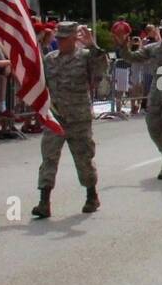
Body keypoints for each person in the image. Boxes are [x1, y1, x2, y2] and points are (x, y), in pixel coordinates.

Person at [33, 22, 108, 218]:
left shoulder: (85, 57)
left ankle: (92, 196)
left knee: (83, 158)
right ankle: (44, 202)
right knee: (49, 158)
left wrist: (93, 47)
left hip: (79, 119)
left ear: (74, 39)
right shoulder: (50, 59)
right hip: (56, 117)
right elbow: (40, 82)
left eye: (64, 39)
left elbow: (101, 69)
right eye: (58, 38)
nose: (60, 42)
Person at [114, 17, 162, 180]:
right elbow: (132, 57)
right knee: (152, 124)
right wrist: (123, 44)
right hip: (157, 89)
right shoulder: (153, 48)